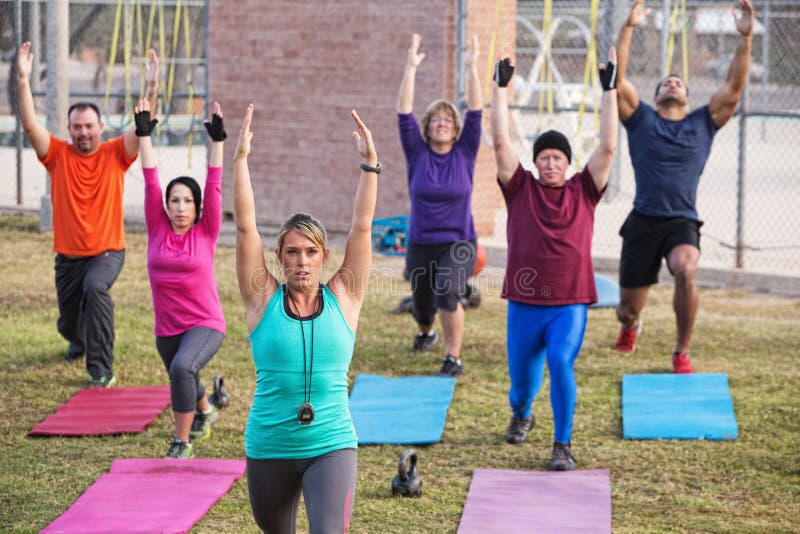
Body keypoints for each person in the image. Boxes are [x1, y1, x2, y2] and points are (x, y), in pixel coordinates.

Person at [233, 104, 378, 532]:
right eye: (292, 252)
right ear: (279, 257)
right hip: (270, 445)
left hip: (331, 443)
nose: (302, 261)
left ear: (324, 257)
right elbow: (245, 228)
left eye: (311, 252)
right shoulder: (262, 300)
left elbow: (362, 227)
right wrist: (240, 160)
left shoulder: (345, 296)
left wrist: (371, 166)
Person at [491, 45, 619, 470]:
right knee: (522, 385)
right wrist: (501, 87)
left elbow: (608, 146)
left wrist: (610, 88)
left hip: (569, 303)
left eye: (558, 157)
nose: (550, 162)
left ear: (567, 163)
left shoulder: (584, 190)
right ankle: (522, 413)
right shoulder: (520, 188)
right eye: (544, 156)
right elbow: (499, 140)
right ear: (536, 161)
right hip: (525, 305)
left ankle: (562, 444)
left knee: (561, 361)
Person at [612, 0, 754, 374]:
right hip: (643, 220)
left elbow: (734, 87)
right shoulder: (639, 119)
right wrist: (628, 27)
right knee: (626, 309)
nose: (672, 82)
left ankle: (681, 352)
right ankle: (632, 325)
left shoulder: (703, 123)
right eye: (665, 82)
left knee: (686, 269)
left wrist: (745, 38)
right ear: (656, 96)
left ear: (688, 98)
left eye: (679, 82)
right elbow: (617, 78)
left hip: (681, 221)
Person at [16, 42, 159, 388]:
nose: (83, 132)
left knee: (96, 290)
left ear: (100, 128)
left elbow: (142, 128)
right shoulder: (57, 155)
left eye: (89, 126)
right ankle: (77, 339)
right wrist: (22, 79)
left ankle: (101, 370)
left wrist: (152, 86)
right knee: (67, 322)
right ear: (69, 130)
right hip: (67, 257)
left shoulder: (116, 154)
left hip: (107, 251)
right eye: (77, 127)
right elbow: (30, 123)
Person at [133, 99, 227, 459]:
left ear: (197, 206)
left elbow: (215, 184)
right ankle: (206, 410)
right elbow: (151, 180)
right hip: (167, 328)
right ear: (167, 205)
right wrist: (144, 136)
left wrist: (217, 142)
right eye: (174, 200)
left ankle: (181, 442)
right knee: (181, 372)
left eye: (188, 201)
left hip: (205, 323)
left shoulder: (206, 231)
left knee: (183, 366)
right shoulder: (158, 228)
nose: (181, 207)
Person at [396, 33, 483, 377]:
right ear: (428, 128)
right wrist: (411, 67)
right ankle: (425, 332)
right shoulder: (416, 153)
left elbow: (476, 111)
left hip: (460, 240)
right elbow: (403, 112)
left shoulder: (466, 151)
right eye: (435, 119)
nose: (442, 122)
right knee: (422, 305)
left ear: (456, 128)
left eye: (448, 119)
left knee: (448, 291)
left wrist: (473, 67)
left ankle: (453, 357)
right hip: (421, 241)